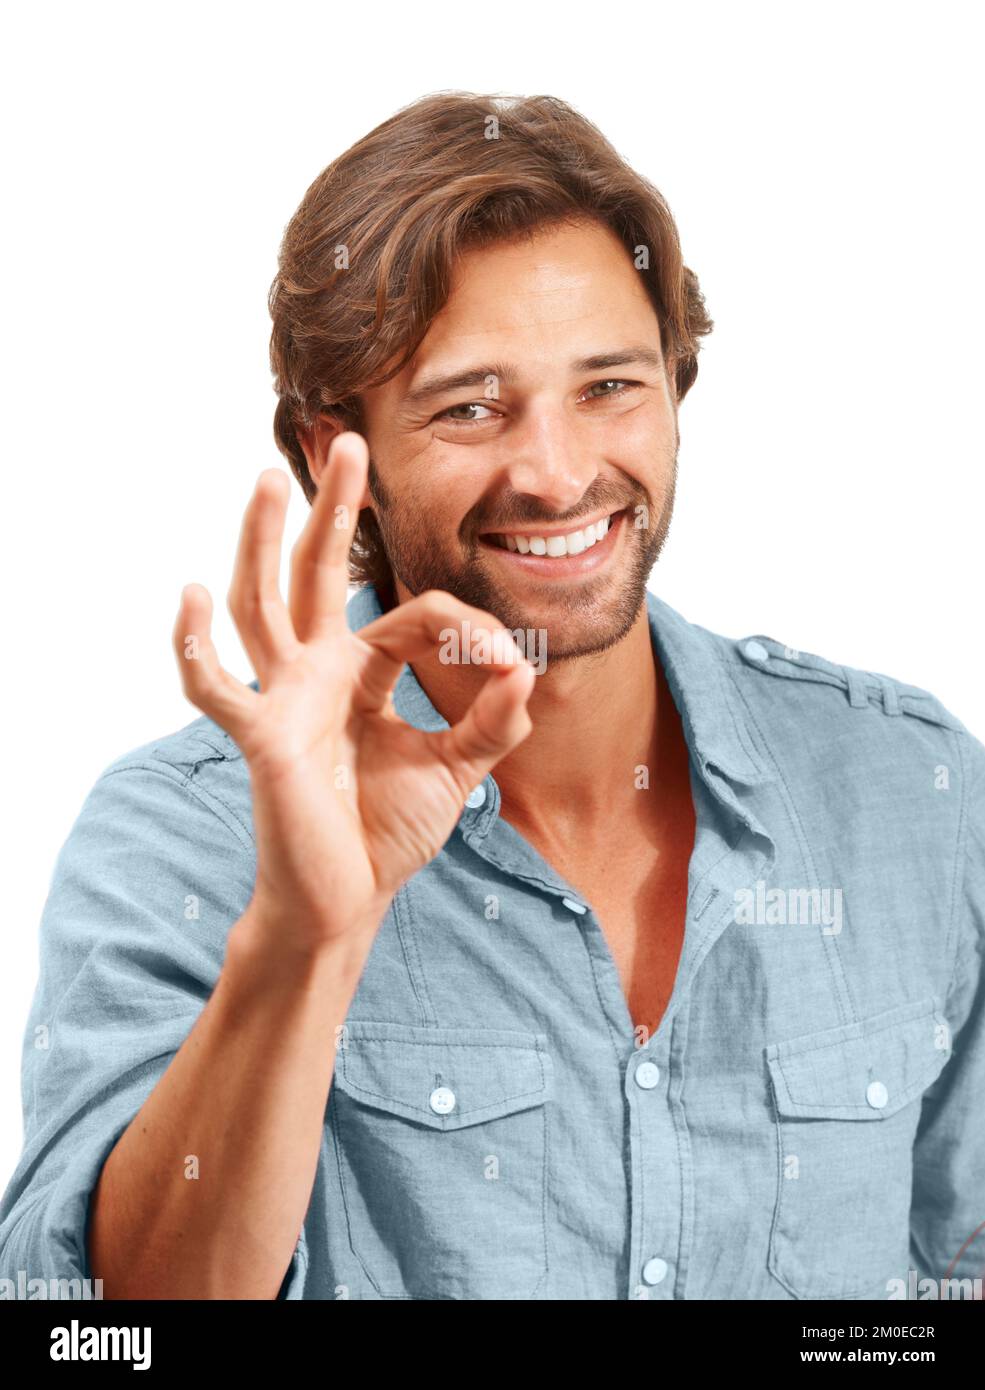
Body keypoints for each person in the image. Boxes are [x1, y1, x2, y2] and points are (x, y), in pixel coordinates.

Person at [1, 91, 982, 1302]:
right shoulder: (179, 838)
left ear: (676, 387)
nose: (559, 472)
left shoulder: (912, 793)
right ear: (332, 454)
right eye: (470, 406)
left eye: (609, 386)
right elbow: (119, 1325)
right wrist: (305, 941)